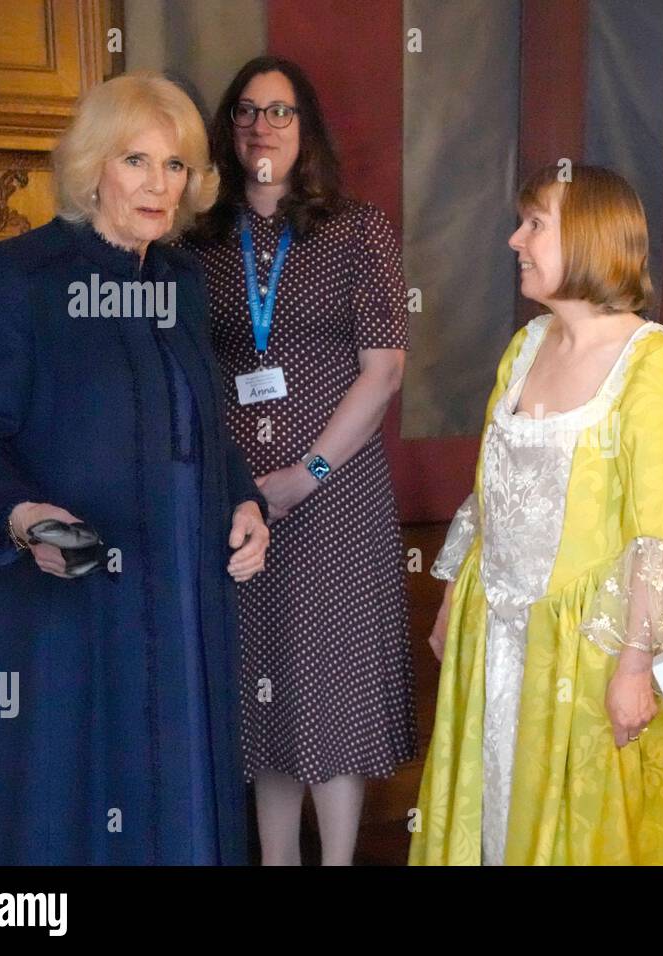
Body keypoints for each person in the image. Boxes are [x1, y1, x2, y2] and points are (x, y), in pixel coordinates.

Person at [0, 72, 270, 865]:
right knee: (68, 808)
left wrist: (246, 503)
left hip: (185, 597)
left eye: (175, 165)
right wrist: (27, 522)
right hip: (72, 600)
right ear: (93, 168)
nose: (158, 184)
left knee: (182, 799)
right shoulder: (17, 274)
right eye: (135, 161)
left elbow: (205, 434)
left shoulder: (184, 282)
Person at [409, 164, 663, 865]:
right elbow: (490, 487)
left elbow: (661, 534)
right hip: (497, 634)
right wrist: (455, 597)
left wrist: (635, 666)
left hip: (589, 652)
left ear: (588, 237)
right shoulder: (526, 347)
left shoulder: (653, 368)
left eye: (535, 225)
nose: (515, 240)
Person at [182, 56, 416, 866]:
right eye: (247, 111)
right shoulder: (198, 243)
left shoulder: (356, 230)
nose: (262, 126)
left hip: (335, 496)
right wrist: (247, 488)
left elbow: (384, 370)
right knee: (266, 696)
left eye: (280, 111)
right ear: (228, 128)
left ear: (305, 127)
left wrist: (303, 476)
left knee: (332, 695)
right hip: (238, 499)